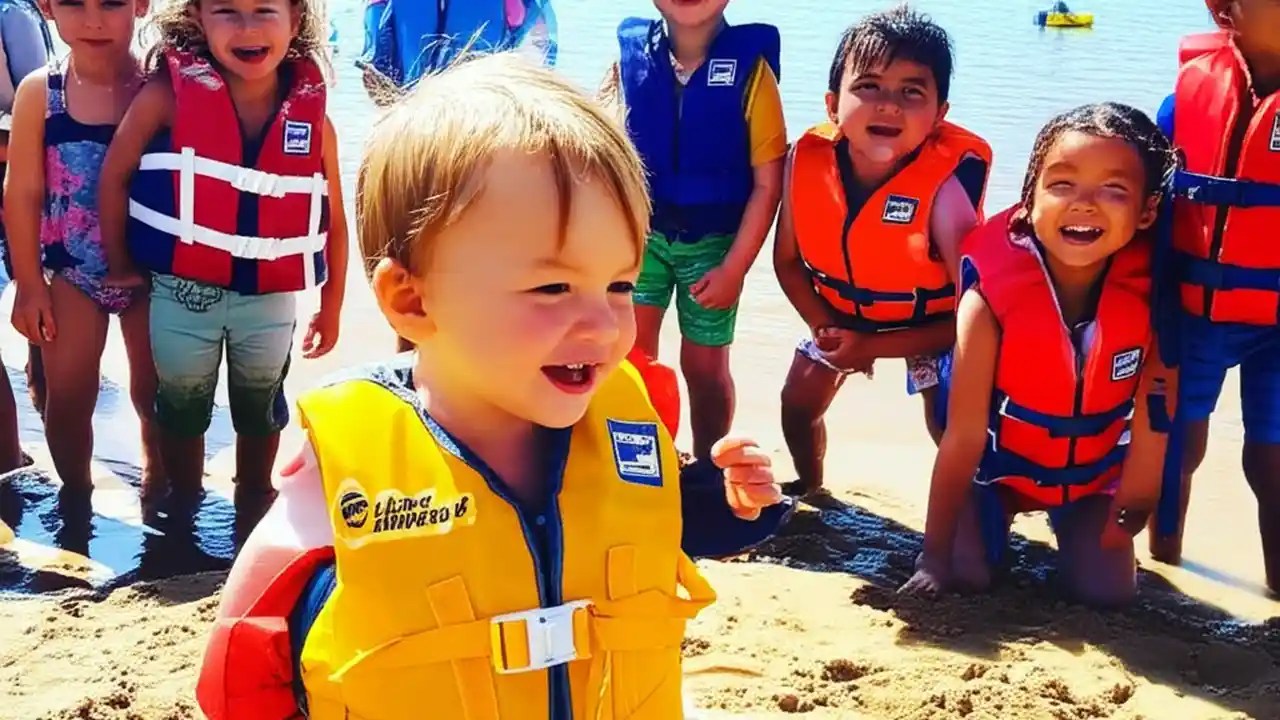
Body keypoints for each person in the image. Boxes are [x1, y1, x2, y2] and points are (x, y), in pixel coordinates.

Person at [193, 53, 785, 719]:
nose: (602, 324)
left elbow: (660, 525)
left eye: (619, 284)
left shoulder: (621, 422)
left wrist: (731, 504)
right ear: (412, 301)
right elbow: (244, 651)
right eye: (553, 287)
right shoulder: (341, 468)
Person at [899, 103, 1176, 607]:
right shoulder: (989, 301)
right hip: (994, 466)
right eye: (1062, 184)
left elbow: (1154, 426)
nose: (1085, 205)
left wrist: (1127, 519)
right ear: (1028, 201)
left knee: (1105, 594)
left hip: (1088, 479)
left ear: (1147, 211)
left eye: (1114, 190)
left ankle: (1076, 536)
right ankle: (979, 524)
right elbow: (961, 439)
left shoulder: (1153, 298)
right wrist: (932, 558)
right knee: (965, 576)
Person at [97, 0, 347, 522]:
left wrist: (333, 305)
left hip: (271, 297)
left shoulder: (314, 119)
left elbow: (335, 220)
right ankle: (185, 500)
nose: (248, 28)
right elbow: (114, 177)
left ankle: (254, 497)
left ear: (295, 21)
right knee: (182, 405)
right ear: (197, 20)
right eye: (227, 12)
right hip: (182, 294)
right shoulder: (165, 98)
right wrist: (121, 263)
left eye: (264, 11)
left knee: (261, 404)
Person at [773, 6, 990, 498]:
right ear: (833, 104)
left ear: (940, 115)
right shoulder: (803, 161)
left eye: (911, 92)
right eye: (868, 86)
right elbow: (786, 262)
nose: (888, 105)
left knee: (949, 422)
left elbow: (978, 309)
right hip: (841, 312)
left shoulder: (943, 192)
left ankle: (969, 510)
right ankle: (810, 490)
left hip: (934, 326)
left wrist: (872, 348)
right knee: (798, 401)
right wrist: (826, 327)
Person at [601, 0, 786, 464]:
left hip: (716, 247)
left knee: (704, 367)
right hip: (640, 240)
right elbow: (598, 156)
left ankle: (707, 463)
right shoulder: (628, 63)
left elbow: (768, 185)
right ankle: (643, 461)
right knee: (631, 357)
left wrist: (735, 269)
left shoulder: (752, 74)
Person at [1146, 0, 1280, 595]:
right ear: (1228, 9)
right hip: (1194, 314)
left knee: (1274, 462)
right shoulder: (1186, 98)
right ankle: (1164, 569)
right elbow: (1144, 202)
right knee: (1176, 448)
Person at [5, 0, 158, 495]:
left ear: (142, 3)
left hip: (151, 272)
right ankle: (77, 495)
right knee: (69, 396)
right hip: (72, 271)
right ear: (47, 7)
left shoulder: (161, 86)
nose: (93, 19)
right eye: (74, 3)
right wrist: (29, 285)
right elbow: (22, 193)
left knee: (156, 393)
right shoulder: (40, 93)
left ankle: (162, 487)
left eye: (111, 3)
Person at [0, 0, 52, 472]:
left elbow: (40, 122)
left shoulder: (11, 17)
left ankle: (12, 465)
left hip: (12, 182)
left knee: (34, 294)